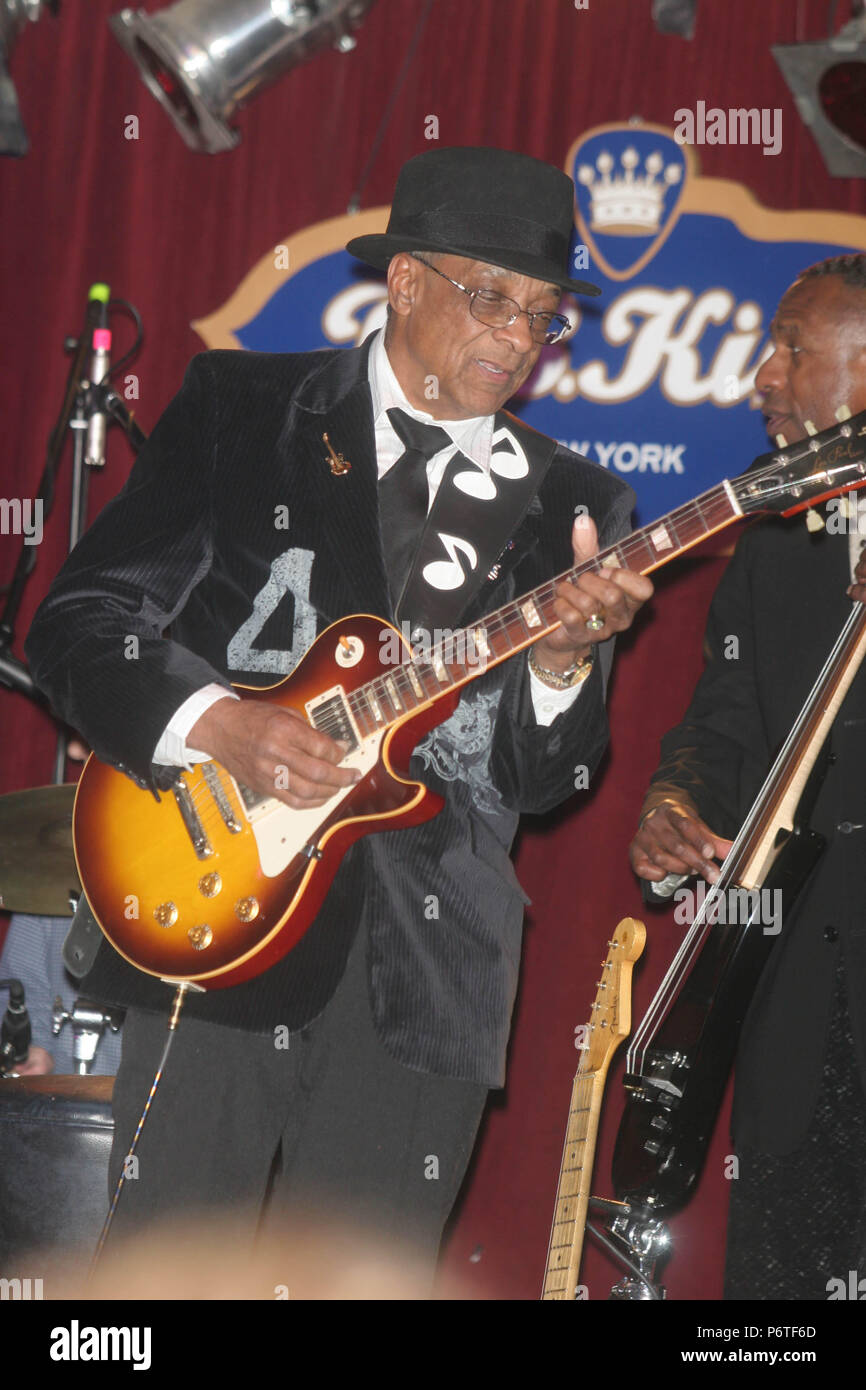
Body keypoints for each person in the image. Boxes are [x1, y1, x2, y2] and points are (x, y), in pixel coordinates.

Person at [26, 146, 652, 1269]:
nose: (516, 338)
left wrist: (561, 666)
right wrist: (222, 723)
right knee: (159, 1278)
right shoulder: (244, 405)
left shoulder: (574, 500)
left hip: (433, 965)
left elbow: (545, 779)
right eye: (491, 299)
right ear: (403, 282)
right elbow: (82, 620)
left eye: (542, 317)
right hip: (208, 906)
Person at [629, 254, 866, 1300]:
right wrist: (672, 804)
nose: (760, 381)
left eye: (789, 351)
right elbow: (719, 732)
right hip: (796, 1006)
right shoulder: (771, 553)